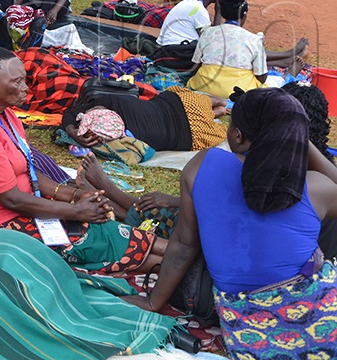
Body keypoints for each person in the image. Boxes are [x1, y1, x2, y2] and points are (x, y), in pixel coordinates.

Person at [124, 88, 337, 360]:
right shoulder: (317, 188)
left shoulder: (201, 166)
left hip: (247, 331)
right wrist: (302, 143)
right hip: (322, 327)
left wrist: (153, 301)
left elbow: (183, 244)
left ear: (237, 135)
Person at [0, 47, 165, 273]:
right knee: (85, 238)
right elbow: (11, 199)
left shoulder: (5, 115)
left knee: (96, 226)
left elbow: (27, 169)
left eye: (25, 80)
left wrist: (74, 195)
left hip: (17, 211)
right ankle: (171, 263)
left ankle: (175, 258)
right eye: (17, 82)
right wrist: (75, 210)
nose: (25, 88)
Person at [62, 85, 227, 153]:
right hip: (186, 131)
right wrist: (74, 132)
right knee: (215, 108)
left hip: (181, 115)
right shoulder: (112, 132)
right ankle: (220, 109)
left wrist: (73, 131)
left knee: (216, 106)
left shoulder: (103, 102)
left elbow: (69, 115)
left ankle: (220, 108)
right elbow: (69, 115)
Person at [186, 0, 269, 98]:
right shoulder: (254, 40)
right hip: (237, 93)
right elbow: (261, 77)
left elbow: (195, 64)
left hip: (203, 88)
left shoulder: (207, 32)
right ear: (244, 15)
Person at [156, 0, 220, 46]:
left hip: (169, 45)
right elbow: (212, 40)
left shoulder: (191, 2)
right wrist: (218, 11)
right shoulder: (199, 10)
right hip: (175, 49)